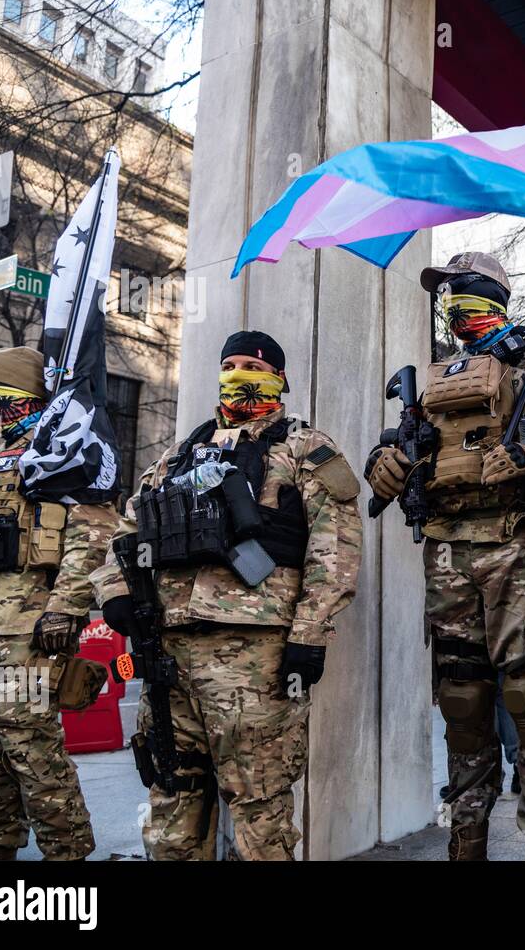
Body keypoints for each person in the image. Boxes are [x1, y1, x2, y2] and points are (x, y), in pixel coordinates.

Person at [366, 251, 525, 860]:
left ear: (491, 293)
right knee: (462, 702)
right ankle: (466, 842)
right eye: (446, 294)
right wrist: (387, 467)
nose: (452, 304)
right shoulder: (436, 380)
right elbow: (400, 454)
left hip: (521, 549)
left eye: (462, 290)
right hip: (449, 554)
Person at [91, 330, 362, 860]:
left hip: (253, 656)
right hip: (167, 653)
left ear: (279, 378)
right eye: (229, 364)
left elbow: (336, 550)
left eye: (252, 365)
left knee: (260, 808)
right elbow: (125, 534)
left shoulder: (304, 449)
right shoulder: (177, 455)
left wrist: (309, 634)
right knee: (171, 802)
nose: (238, 373)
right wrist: (114, 592)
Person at [0, 346, 118, 860]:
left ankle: (68, 856)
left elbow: (93, 534)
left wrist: (65, 607)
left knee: (29, 742)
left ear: (22, 400)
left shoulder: (58, 452)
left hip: (27, 624)